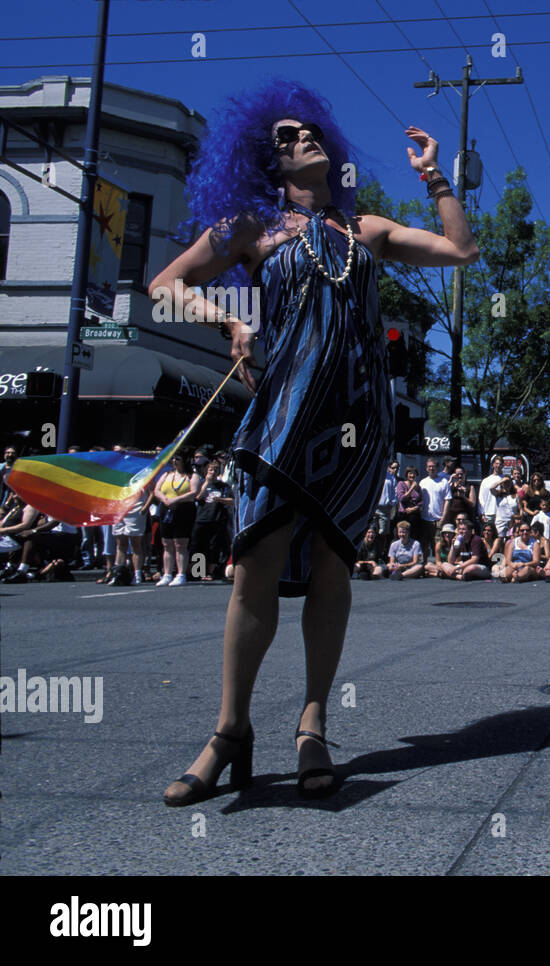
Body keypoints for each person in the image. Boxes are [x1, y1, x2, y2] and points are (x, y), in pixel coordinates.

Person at [154, 81, 478, 806]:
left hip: (358, 425)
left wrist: (434, 172)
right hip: (282, 415)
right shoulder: (252, 226)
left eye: (307, 128)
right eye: (282, 136)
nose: (300, 137)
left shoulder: (363, 229)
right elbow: (165, 284)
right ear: (267, 163)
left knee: (332, 570)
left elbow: (460, 248)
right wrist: (226, 322)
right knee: (254, 565)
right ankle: (230, 729)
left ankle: (313, 725)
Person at [154, 451, 202, 587]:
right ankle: (167, 573)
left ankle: (181, 574)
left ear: (185, 460)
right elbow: (157, 490)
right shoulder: (167, 474)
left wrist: (177, 499)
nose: (174, 461)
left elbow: (194, 492)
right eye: (173, 458)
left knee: (180, 543)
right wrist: (165, 499)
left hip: (184, 509)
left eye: (178, 459)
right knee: (166, 543)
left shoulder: (193, 476)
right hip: (166, 509)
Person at [191, 456, 235, 581]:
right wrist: (207, 483)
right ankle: (197, 572)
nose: (213, 472)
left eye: (215, 470)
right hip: (201, 518)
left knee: (213, 546)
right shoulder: (201, 483)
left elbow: (232, 501)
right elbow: (198, 498)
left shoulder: (223, 486)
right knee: (198, 545)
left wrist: (220, 500)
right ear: (206, 471)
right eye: (211, 470)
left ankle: (209, 573)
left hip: (216, 519)